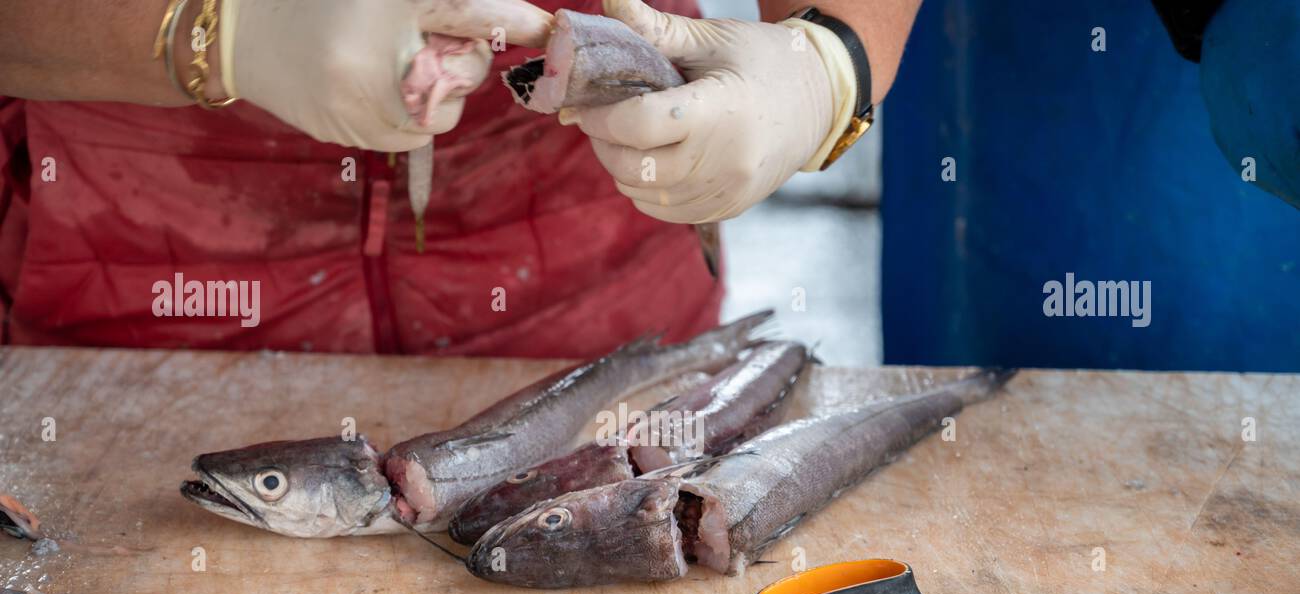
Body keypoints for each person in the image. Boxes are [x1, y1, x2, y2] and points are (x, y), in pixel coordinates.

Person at [0, 0, 921, 356]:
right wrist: (210, 32)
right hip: (127, 281)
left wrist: (828, 57)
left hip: (594, 272)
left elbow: (835, 31)